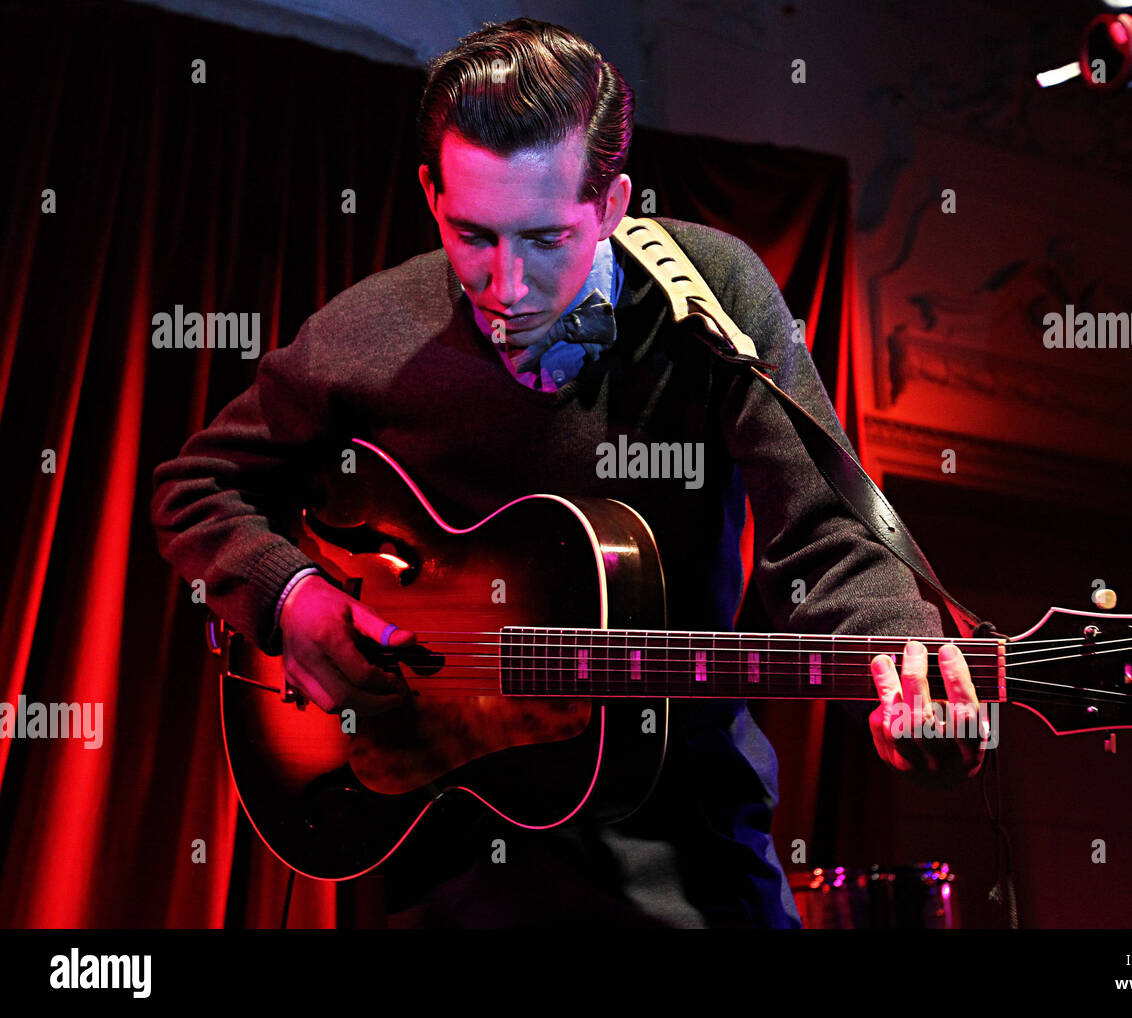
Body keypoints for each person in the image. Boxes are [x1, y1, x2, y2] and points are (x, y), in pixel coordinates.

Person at [150, 17, 983, 929]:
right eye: (474, 235)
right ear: (432, 194)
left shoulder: (709, 294)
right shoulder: (373, 327)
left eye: (547, 240)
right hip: (445, 836)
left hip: (682, 827)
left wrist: (898, 646)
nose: (507, 284)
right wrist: (292, 597)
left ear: (613, 201)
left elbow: (821, 529)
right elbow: (195, 487)